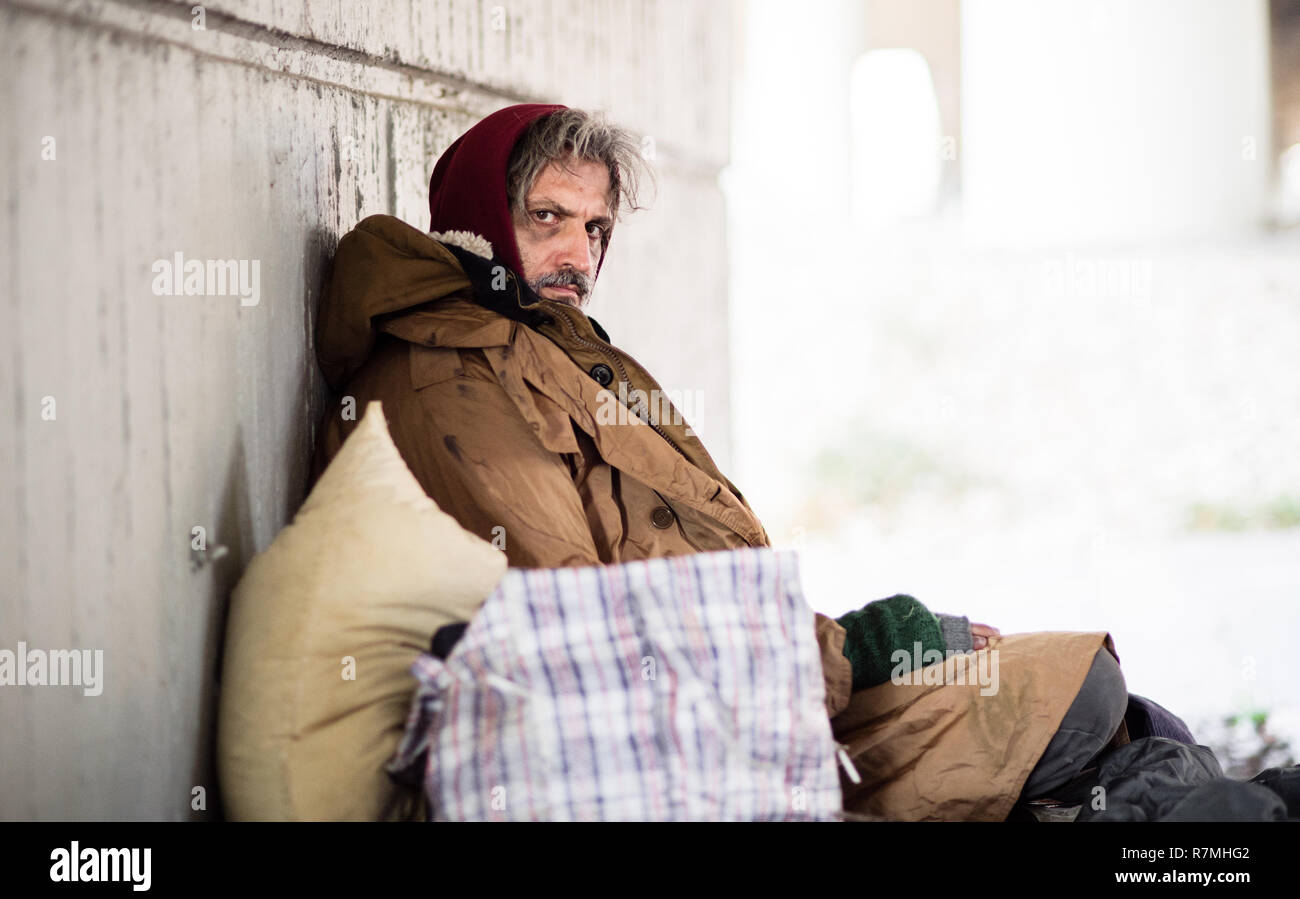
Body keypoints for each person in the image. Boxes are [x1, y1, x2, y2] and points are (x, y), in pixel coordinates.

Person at [310, 104, 1142, 820]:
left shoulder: (540, 351)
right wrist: (855, 647)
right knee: (1083, 706)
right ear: (478, 220)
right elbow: (578, 635)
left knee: (1113, 708)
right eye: (546, 217)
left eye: (595, 227)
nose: (578, 255)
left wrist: (844, 648)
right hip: (671, 753)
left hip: (740, 706)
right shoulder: (452, 381)